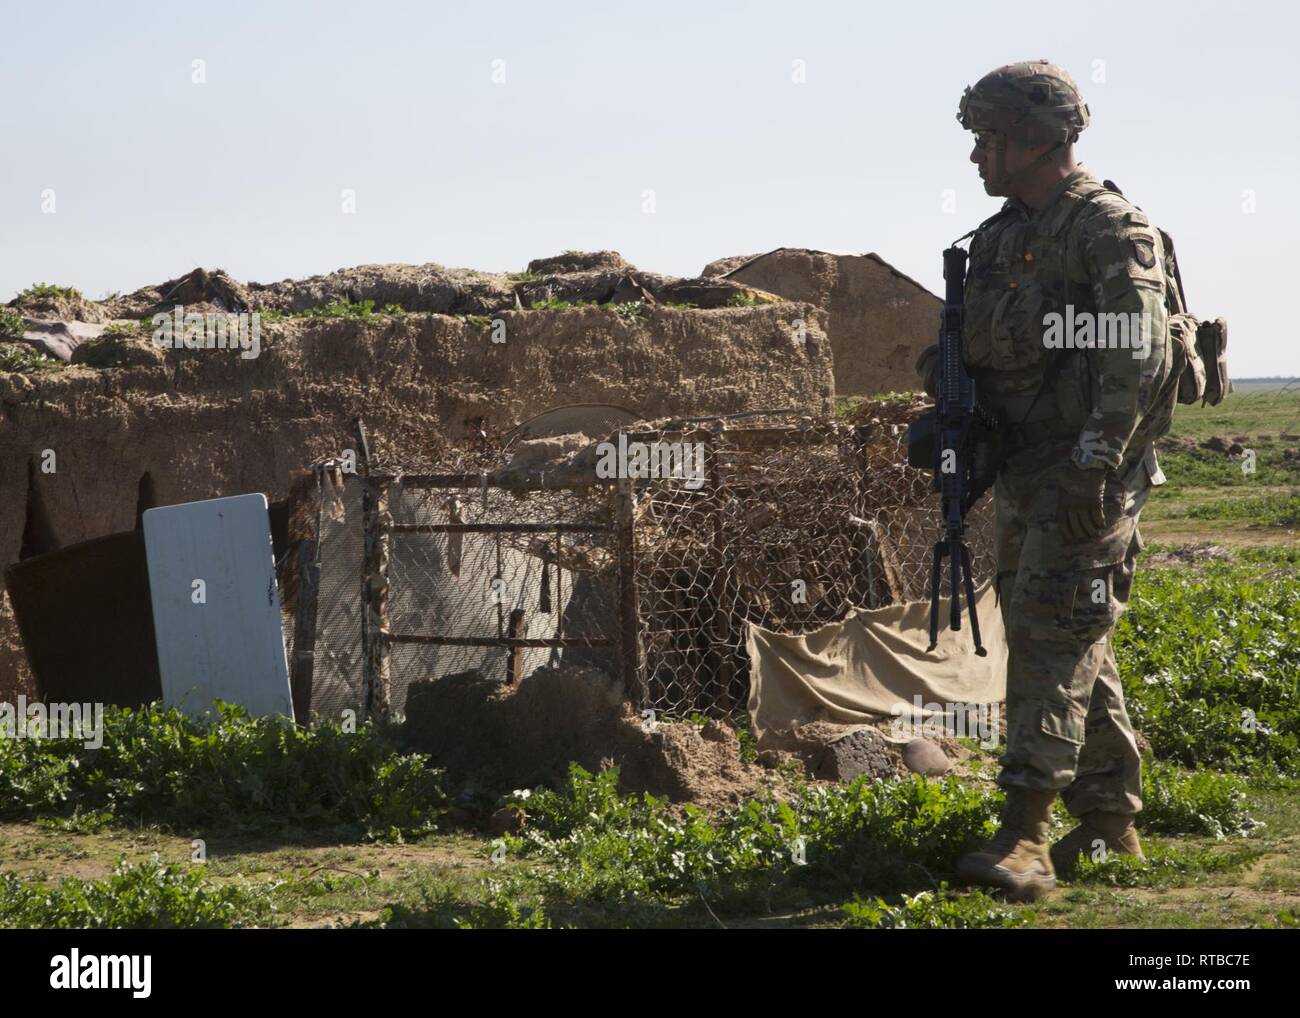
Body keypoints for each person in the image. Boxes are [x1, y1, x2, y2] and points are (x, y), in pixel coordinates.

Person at [916, 59, 1172, 901]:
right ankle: (1107, 825)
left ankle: (1025, 834)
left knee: (1048, 633)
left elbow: (1139, 358)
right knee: (1068, 633)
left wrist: (1098, 465)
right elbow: (984, 350)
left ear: (1035, 137)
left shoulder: (1105, 229)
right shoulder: (994, 240)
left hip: (1091, 470)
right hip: (1028, 469)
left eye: (987, 138)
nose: (976, 156)